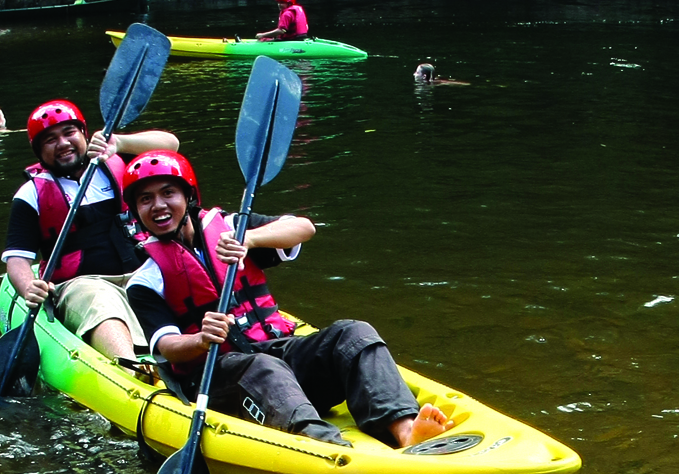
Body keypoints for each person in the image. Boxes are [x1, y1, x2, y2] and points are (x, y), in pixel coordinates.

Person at [122, 151, 454, 449]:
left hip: (276, 352)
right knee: (263, 367)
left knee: (354, 333)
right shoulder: (146, 279)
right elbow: (166, 346)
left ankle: (405, 429)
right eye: (146, 199)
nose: (159, 206)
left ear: (188, 197)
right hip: (217, 378)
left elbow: (303, 227)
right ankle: (323, 446)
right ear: (136, 211)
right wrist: (199, 339)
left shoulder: (232, 227)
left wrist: (248, 240)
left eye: (169, 193)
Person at [2, 101, 178, 370]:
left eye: (69, 133)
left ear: (84, 135)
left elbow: (171, 145)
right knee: (99, 299)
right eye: (50, 139)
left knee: (184, 276)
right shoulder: (30, 194)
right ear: (39, 151)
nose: (62, 143)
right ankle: (130, 370)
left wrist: (118, 141)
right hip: (81, 283)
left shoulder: (118, 165)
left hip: (141, 272)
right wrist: (29, 287)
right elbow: (17, 258)